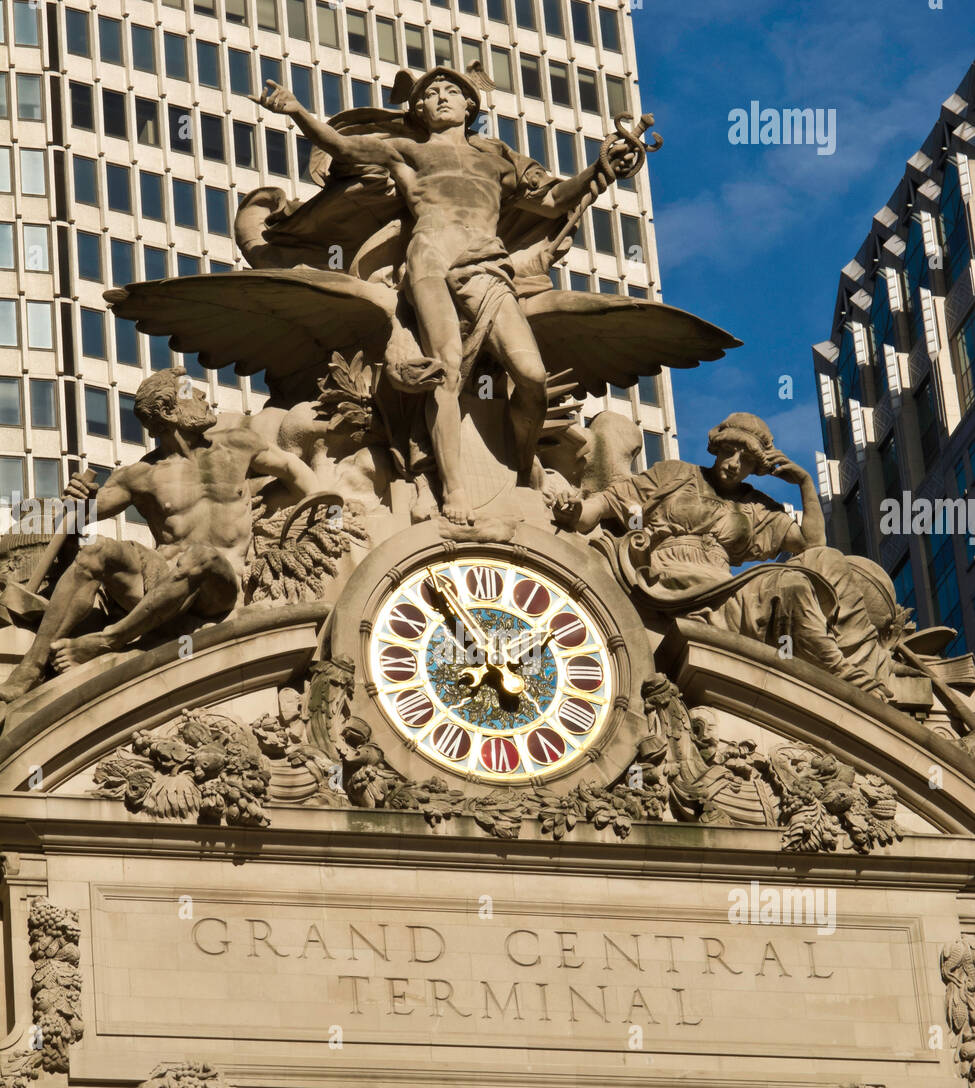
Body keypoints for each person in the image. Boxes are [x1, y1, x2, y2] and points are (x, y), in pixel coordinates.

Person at [257, 67, 634, 525]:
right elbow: (344, 147)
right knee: (445, 371)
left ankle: (518, 468)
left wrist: (602, 169)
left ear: (470, 106)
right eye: (429, 94)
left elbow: (553, 201)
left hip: (487, 265)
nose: (439, 99)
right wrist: (297, 111)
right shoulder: (407, 150)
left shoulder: (498, 157)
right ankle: (453, 489)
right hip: (430, 259)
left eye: (450, 92)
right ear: (418, 109)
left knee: (532, 376)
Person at [0, 368, 320, 702]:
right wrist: (77, 497)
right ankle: (29, 670)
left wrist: (328, 510)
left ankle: (108, 640)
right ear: (168, 411)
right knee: (96, 550)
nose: (202, 397)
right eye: (190, 393)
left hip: (218, 588)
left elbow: (293, 470)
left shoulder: (238, 445)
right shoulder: (139, 476)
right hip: (159, 584)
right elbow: (77, 518)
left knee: (200, 555)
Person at [553, 412, 895, 696]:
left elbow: (812, 545)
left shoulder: (755, 507)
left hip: (727, 587)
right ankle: (836, 669)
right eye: (730, 452)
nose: (734, 464)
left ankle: (859, 664)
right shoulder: (675, 475)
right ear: (717, 447)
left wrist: (805, 482)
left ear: (756, 468)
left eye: (746, 461)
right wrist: (574, 511)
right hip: (671, 578)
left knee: (824, 563)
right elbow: (602, 505)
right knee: (792, 586)